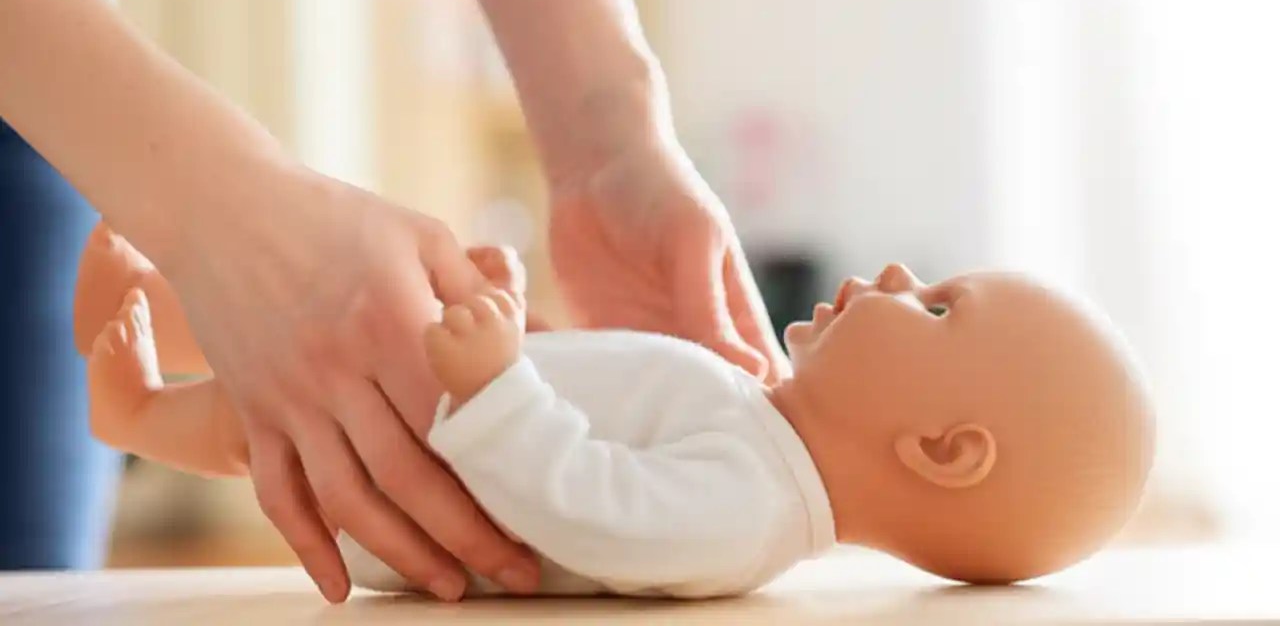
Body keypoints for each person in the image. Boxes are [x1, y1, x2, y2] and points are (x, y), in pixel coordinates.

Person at [0, 0, 786, 603]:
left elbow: (589, 502)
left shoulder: (751, 500)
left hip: (45, 39)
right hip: (51, 48)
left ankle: (138, 386)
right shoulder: (752, 458)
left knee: (314, 402)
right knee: (326, 355)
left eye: (907, 306)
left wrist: (607, 138)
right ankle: (140, 335)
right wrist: (214, 207)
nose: (858, 288)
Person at [78, 240, 1154, 598]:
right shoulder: (756, 432)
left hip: (408, 490)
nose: (895, 274)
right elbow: (608, 412)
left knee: (277, 421)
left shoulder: (747, 512)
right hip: (444, 426)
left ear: (941, 451)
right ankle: (163, 317)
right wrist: (527, 342)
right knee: (352, 330)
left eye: (935, 307)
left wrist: (501, 390)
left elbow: (596, 511)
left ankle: (137, 410)